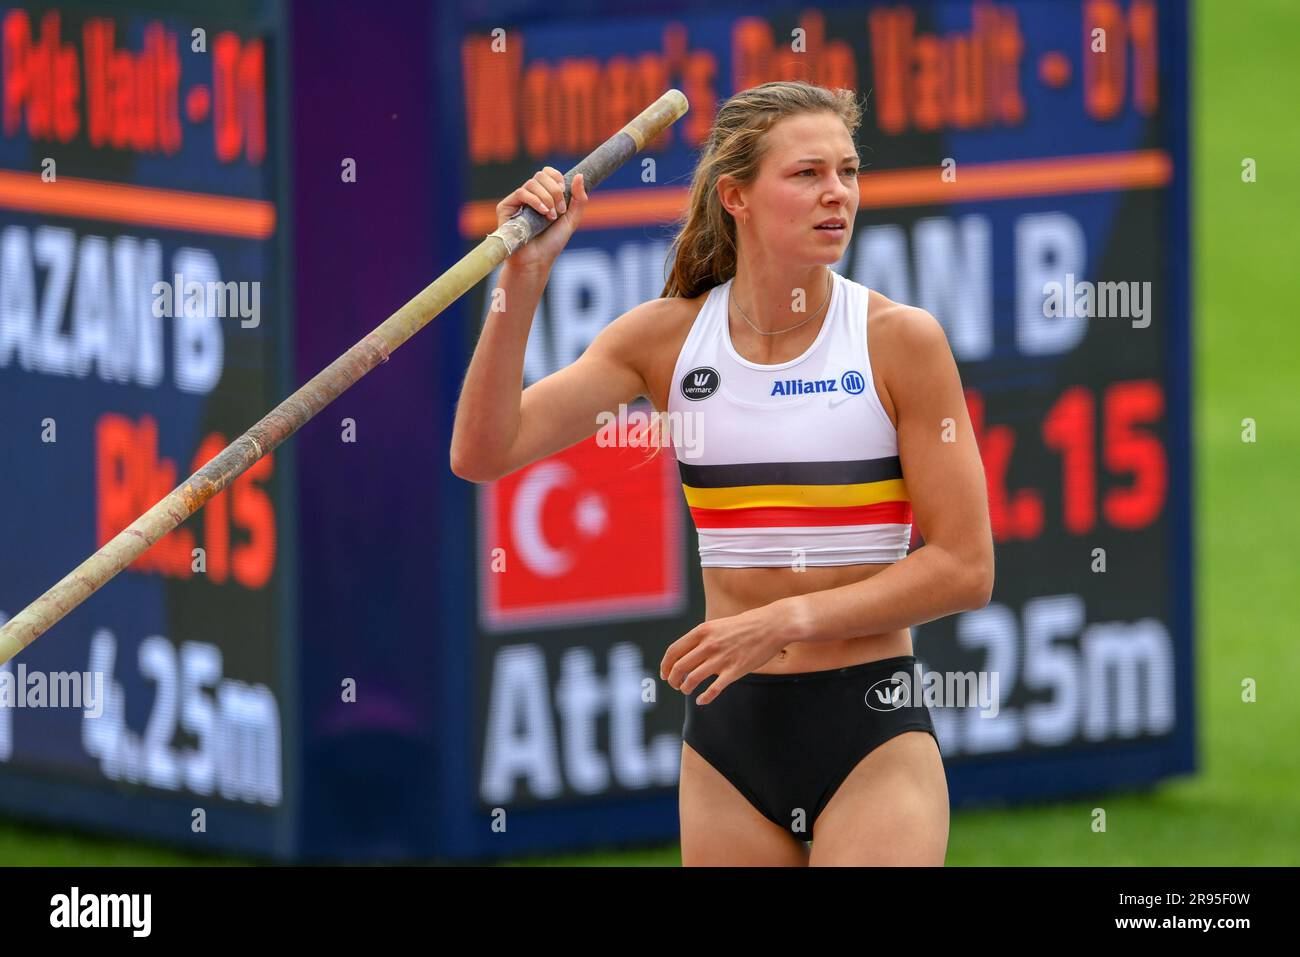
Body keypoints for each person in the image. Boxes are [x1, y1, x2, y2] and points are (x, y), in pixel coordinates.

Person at [450, 80, 993, 866]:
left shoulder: (898, 341)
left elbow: (966, 567)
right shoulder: (666, 341)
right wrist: (521, 280)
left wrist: (788, 620)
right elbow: (483, 451)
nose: (836, 193)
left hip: (871, 722)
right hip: (729, 742)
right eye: (807, 174)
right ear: (735, 195)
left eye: (847, 171)